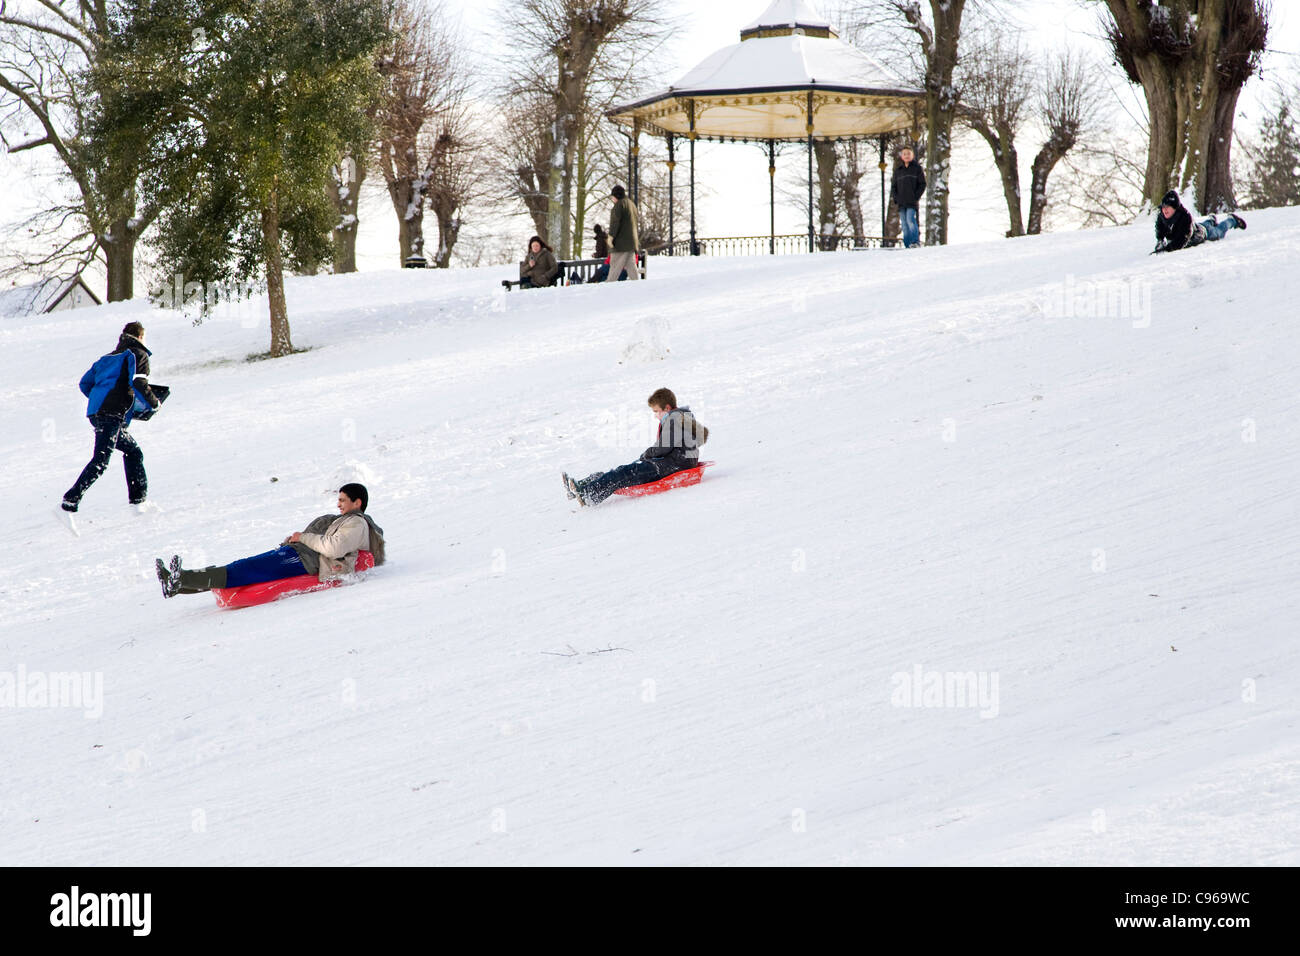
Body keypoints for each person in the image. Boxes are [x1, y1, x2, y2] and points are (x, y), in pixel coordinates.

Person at [155, 483, 386, 598]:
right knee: (243, 567)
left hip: (306, 560)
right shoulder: (346, 520)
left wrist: (303, 538)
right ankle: (179, 583)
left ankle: (181, 580)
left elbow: (334, 547)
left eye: (343, 500)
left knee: (246, 569)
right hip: (301, 554)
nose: (339, 504)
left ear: (358, 503)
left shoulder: (357, 523)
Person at [62, 321, 161, 514]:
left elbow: (85, 384)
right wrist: (154, 403)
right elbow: (138, 382)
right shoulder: (137, 354)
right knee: (101, 461)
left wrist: (101, 398)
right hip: (111, 415)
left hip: (98, 413)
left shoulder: (106, 358)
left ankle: (139, 502)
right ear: (140, 336)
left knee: (133, 452)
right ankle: (69, 501)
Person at [563, 388, 708, 506]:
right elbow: (700, 437)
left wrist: (648, 454)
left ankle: (589, 494)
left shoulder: (674, 419)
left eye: (657, 411)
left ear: (667, 407)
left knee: (625, 473)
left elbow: (664, 447)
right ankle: (580, 487)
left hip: (671, 465)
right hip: (674, 462)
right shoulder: (683, 417)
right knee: (623, 471)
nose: (656, 416)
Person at [1152, 189, 1246, 253]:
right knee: (1203, 225)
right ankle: (1211, 220)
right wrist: (1160, 241)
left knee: (1218, 232)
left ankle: (1231, 220)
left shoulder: (1185, 217)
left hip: (1202, 234)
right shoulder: (1162, 216)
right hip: (1197, 226)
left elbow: (1181, 241)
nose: (1165, 210)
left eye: (1168, 207)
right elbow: (1159, 230)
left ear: (1175, 207)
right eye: (1163, 207)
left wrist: (1166, 249)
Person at [890, 145, 926, 249]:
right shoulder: (898, 171)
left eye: (908, 154)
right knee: (904, 225)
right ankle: (907, 244)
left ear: (912, 155)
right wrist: (896, 198)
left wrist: (915, 197)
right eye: (904, 154)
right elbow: (894, 187)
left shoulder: (917, 169)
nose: (906, 156)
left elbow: (922, 184)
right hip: (901, 203)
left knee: (910, 220)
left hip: (912, 202)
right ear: (901, 156)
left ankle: (915, 242)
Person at [608, 185, 640, 282]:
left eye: (612, 196)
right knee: (631, 267)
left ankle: (607, 287)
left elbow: (615, 222)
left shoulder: (619, 205)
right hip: (631, 242)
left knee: (615, 266)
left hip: (621, 243)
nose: (611, 198)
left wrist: (611, 237)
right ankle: (638, 287)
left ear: (616, 196)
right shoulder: (631, 204)